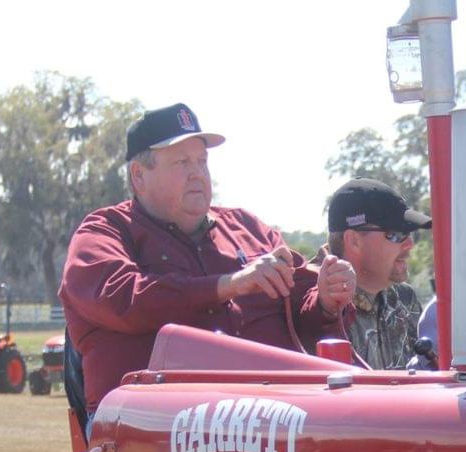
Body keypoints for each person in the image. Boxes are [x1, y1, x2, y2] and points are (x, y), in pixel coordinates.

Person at [60, 103, 357, 415]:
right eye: (182, 162)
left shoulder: (249, 228)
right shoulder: (104, 233)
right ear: (139, 175)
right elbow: (125, 300)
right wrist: (229, 285)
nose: (197, 173)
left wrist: (325, 299)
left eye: (202, 161)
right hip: (152, 423)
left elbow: (302, 314)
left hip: (271, 419)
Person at [317, 179, 430, 370]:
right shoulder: (314, 306)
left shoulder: (405, 298)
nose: (409, 244)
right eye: (396, 233)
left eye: (410, 233)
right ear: (354, 241)